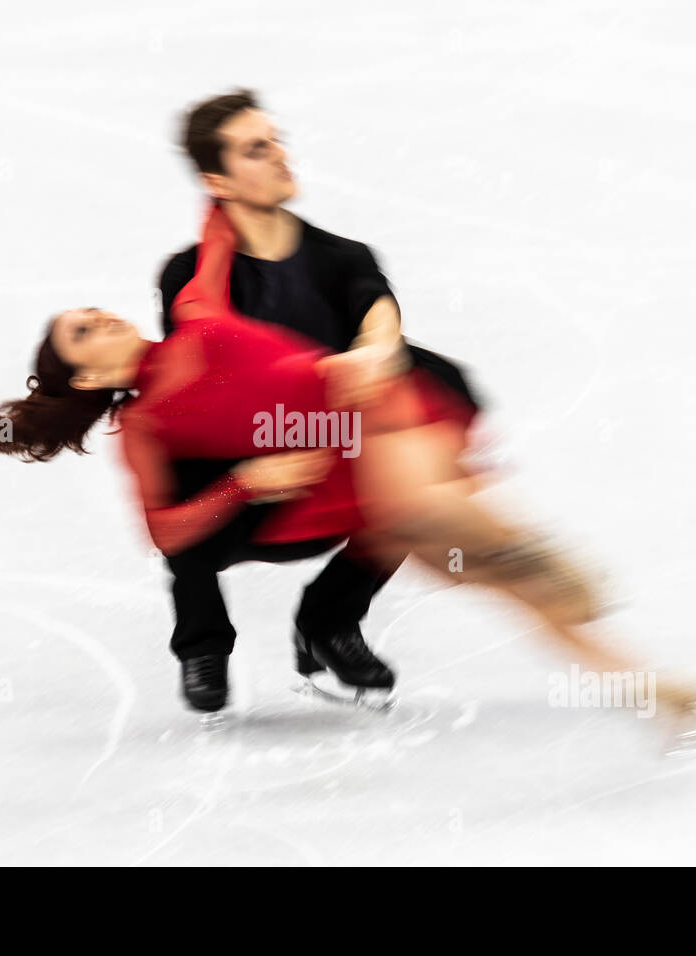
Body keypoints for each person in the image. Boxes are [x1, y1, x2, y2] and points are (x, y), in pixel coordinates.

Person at [0, 201, 696, 742]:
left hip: (382, 413)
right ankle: (656, 693)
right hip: (350, 474)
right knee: (502, 585)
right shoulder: (143, 426)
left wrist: (233, 174)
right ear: (82, 379)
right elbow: (165, 530)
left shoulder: (199, 311)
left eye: (93, 309)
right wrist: (246, 484)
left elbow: (217, 228)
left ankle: (523, 550)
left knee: (455, 529)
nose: (101, 315)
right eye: (83, 330)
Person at [153, 89, 483, 709]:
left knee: (429, 424)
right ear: (216, 179)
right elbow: (198, 393)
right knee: (166, 453)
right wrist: (252, 470)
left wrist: (372, 354)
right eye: (256, 149)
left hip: (332, 466)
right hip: (243, 488)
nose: (280, 156)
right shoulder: (188, 277)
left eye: (277, 140)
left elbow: (378, 313)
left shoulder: (341, 257)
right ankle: (203, 644)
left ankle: (329, 620)